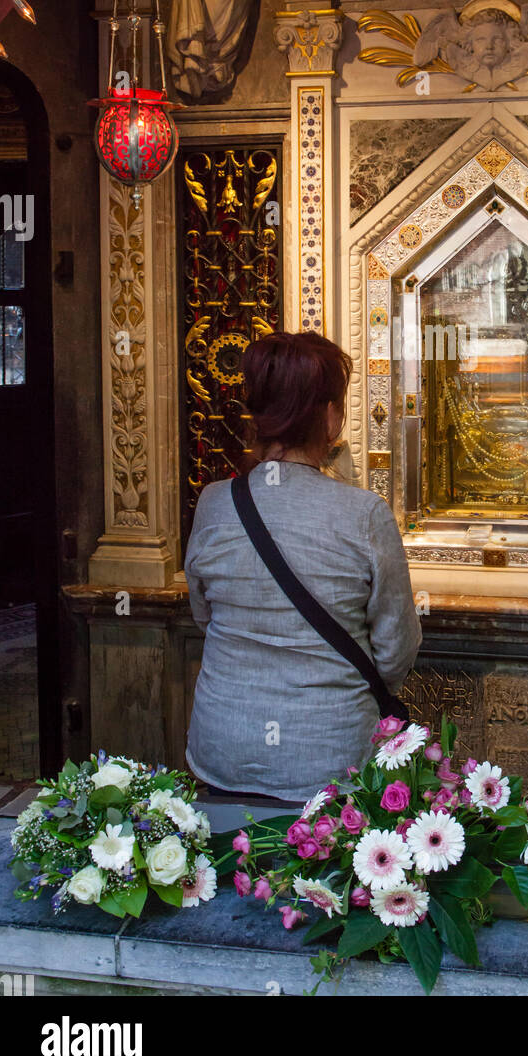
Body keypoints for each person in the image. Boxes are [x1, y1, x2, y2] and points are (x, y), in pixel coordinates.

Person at [184, 331, 422, 805]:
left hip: (223, 746)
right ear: (331, 417)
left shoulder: (213, 504)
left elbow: (204, 617)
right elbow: (397, 649)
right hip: (328, 757)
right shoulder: (365, 514)